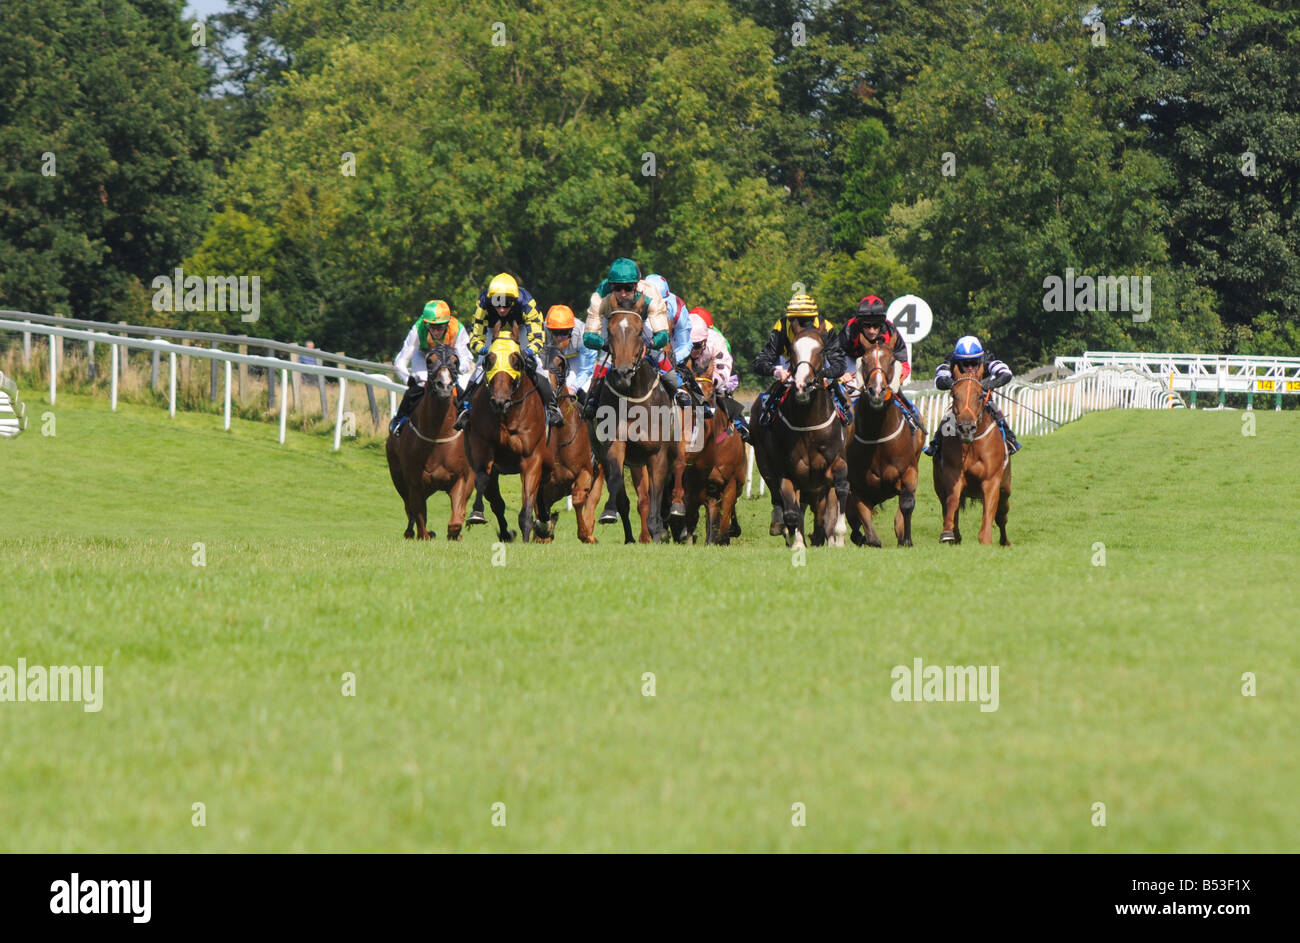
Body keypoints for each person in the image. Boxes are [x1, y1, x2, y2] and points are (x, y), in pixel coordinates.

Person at [455, 272, 563, 429]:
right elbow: (475, 339)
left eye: (506, 304)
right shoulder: (483, 302)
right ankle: (465, 408)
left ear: (514, 300)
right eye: (497, 303)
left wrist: (527, 353)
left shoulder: (527, 303)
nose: (502, 308)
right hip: (492, 329)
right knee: (481, 364)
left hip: (522, 328)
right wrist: (483, 349)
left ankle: (552, 407)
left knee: (535, 364)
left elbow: (538, 339)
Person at [581, 257, 684, 420]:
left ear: (636, 285)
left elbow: (663, 334)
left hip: (642, 320)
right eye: (617, 287)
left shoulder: (649, 293)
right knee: (603, 360)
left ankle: (676, 391)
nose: (623, 293)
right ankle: (593, 398)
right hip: (612, 321)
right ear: (610, 285)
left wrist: (650, 344)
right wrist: (606, 344)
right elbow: (588, 337)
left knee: (658, 353)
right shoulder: (599, 297)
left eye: (628, 288)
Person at [751, 293, 849, 425]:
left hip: (818, 366)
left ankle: (845, 413)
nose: (801, 326)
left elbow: (839, 364)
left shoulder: (826, 327)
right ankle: (766, 414)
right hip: (789, 364)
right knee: (770, 404)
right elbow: (760, 362)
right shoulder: (782, 326)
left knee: (838, 391)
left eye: (806, 321)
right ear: (790, 319)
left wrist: (822, 374)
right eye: (796, 320)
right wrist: (776, 372)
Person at [923, 335, 1022, 456]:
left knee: (995, 410)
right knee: (949, 416)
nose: (970, 367)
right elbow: (940, 379)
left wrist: (989, 384)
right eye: (965, 363)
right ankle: (937, 443)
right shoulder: (951, 360)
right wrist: (955, 386)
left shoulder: (987, 358)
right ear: (958, 361)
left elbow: (1006, 373)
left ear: (980, 359)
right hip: (961, 399)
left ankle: (1009, 439)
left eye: (974, 363)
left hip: (981, 397)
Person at [389, 300, 473, 435]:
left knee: (460, 384)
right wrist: (409, 381)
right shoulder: (418, 328)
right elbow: (400, 362)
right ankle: (399, 419)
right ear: (426, 323)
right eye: (432, 327)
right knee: (421, 382)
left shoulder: (457, 329)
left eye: (440, 327)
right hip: (425, 356)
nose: (436, 331)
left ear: (448, 323)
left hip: (450, 359)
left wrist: (454, 372)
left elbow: (466, 359)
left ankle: (466, 414)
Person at [839, 295, 922, 427]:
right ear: (860, 323)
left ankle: (913, 416)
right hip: (854, 360)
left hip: (882, 363)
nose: (872, 330)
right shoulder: (850, 330)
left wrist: (896, 382)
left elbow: (903, 362)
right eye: (867, 326)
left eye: (876, 326)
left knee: (893, 390)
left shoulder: (890, 330)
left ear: (882, 324)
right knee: (847, 389)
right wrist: (841, 374)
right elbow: (836, 355)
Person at [684, 312, 749, 442]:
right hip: (691, 374)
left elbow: (723, 367)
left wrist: (711, 382)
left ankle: (739, 424)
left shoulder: (717, 340)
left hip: (719, 372)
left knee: (721, 393)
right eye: (690, 346)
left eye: (697, 346)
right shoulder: (681, 335)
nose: (693, 351)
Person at [543, 304, 594, 397]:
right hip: (554, 356)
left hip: (577, 358)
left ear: (571, 330)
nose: (559, 338)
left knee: (582, 389)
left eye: (563, 333)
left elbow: (586, 370)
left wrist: (573, 388)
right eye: (555, 332)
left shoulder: (584, 335)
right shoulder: (542, 331)